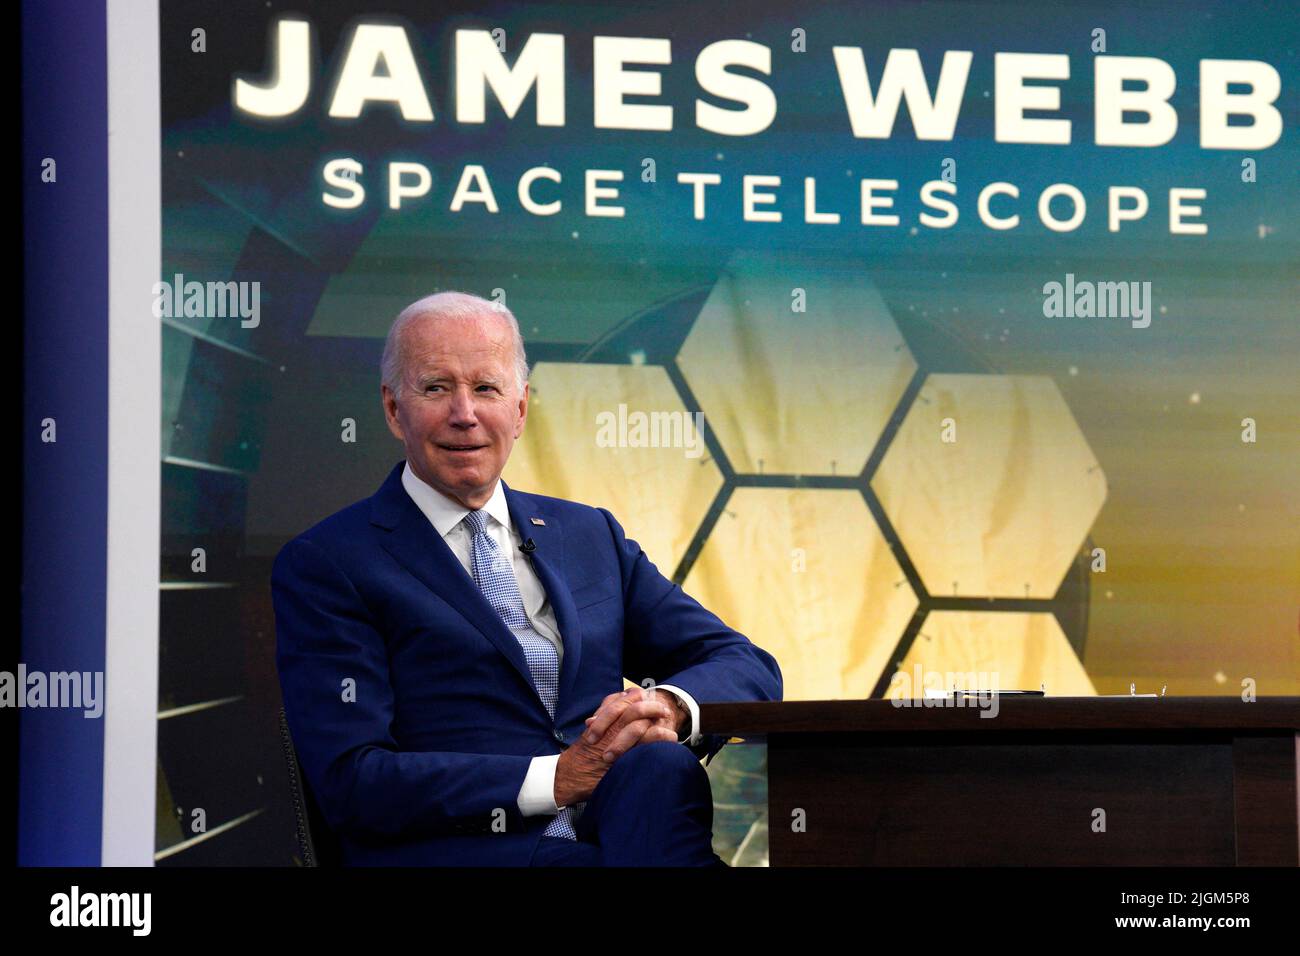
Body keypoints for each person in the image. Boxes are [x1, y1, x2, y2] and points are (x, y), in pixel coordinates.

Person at [272, 291, 782, 866]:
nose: (464, 413)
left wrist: (671, 706)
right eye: (436, 388)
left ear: (519, 409)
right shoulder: (329, 562)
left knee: (661, 765)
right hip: (468, 854)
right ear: (394, 409)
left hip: (630, 838)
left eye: (486, 389)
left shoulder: (589, 535)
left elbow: (746, 665)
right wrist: (555, 779)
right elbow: (353, 779)